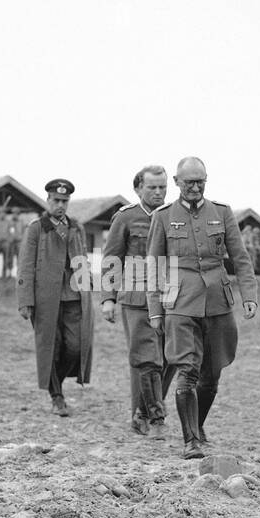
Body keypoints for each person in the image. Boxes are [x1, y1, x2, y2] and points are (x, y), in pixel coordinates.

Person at [146, 157, 258, 458]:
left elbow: (241, 258)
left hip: (218, 302)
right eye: (188, 182)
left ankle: (198, 425)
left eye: (200, 182)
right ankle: (191, 440)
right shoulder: (163, 216)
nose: (194, 187)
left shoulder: (221, 213)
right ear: (176, 182)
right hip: (180, 302)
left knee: (212, 373)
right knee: (187, 369)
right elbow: (154, 266)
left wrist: (249, 294)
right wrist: (155, 309)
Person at [101, 165, 172, 435]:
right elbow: (111, 259)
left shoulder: (172, 215)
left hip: (170, 297)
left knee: (170, 359)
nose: (157, 192)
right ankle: (155, 418)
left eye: (162, 187)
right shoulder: (126, 217)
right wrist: (108, 298)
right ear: (138, 189)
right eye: (152, 187)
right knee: (146, 358)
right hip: (137, 296)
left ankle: (142, 412)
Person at [18, 179, 94, 415]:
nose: (60, 205)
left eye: (65, 201)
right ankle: (57, 396)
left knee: (75, 346)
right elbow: (26, 266)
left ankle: (57, 383)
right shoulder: (36, 228)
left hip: (73, 296)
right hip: (45, 298)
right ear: (48, 200)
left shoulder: (76, 227)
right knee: (52, 345)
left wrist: (88, 285)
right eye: (56, 200)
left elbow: (82, 259)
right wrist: (25, 301)